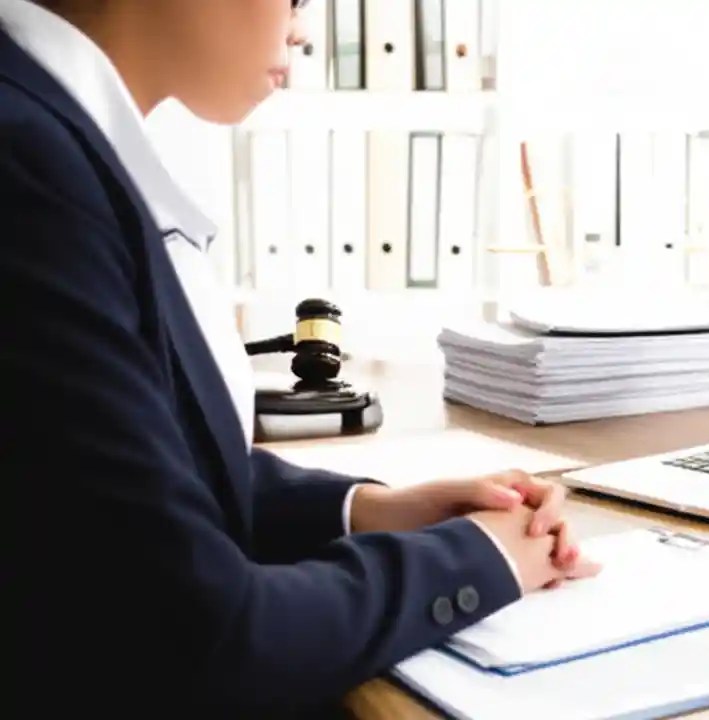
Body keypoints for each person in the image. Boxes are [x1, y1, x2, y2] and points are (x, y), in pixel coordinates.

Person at [1, 1, 600, 717]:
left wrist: (366, 509)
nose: (303, 28)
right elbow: (201, 635)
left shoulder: (52, 132)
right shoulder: (29, 167)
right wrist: (482, 558)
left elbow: (107, 484)